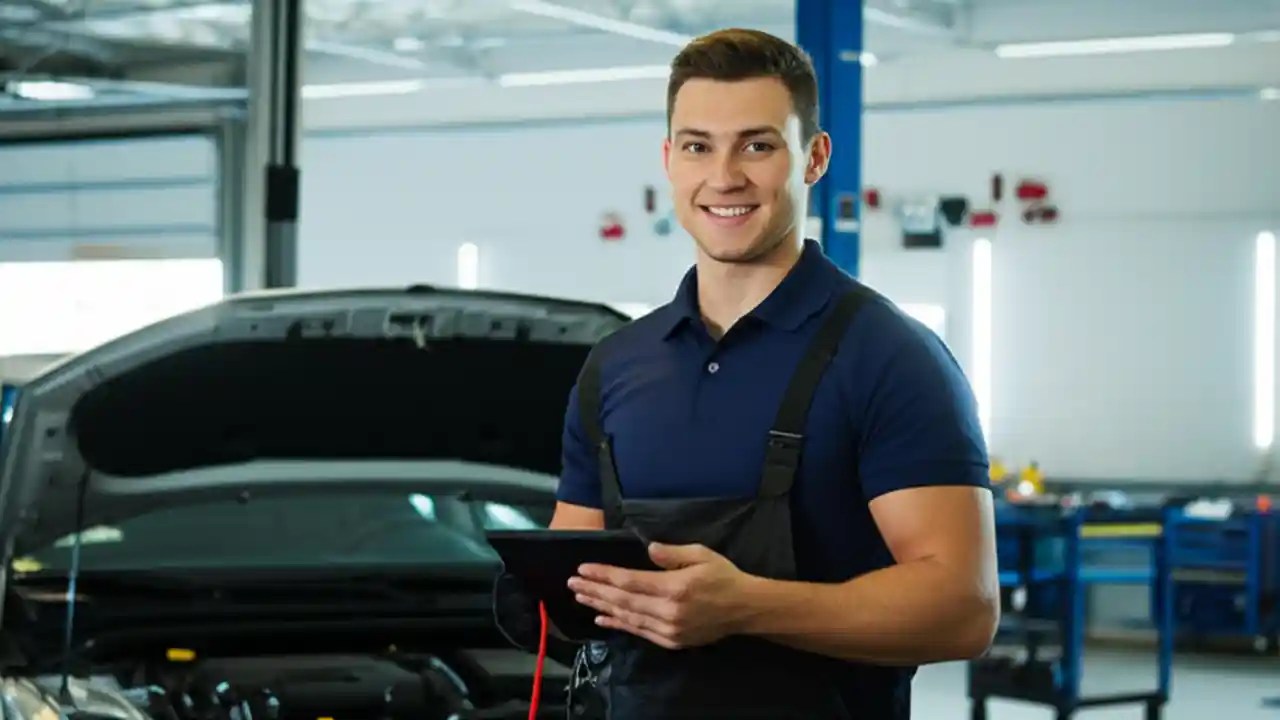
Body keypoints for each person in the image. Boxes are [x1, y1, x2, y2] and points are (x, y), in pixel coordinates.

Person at [547, 27, 999, 720]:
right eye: (698, 146)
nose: (724, 177)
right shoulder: (616, 366)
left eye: (757, 146)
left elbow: (963, 609)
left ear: (814, 158)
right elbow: (570, 577)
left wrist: (746, 607)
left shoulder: (890, 358)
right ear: (669, 160)